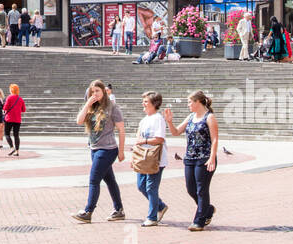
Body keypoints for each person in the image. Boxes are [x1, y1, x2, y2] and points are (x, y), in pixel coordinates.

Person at [71, 79, 126, 223]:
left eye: (97, 91)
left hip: (107, 149)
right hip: (94, 149)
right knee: (110, 180)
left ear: (104, 92)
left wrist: (121, 151)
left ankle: (88, 211)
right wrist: (87, 104)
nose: (95, 94)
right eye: (92, 91)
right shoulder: (91, 106)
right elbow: (79, 121)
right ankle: (119, 210)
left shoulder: (112, 107)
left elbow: (121, 130)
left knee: (94, 180)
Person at [164, 90, 218, 231]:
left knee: (201, 189)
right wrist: (169, 122)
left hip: (204, 158)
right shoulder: (190, 117)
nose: (188, 104)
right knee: (191, 189)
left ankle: (199, 220)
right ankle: (208, 209)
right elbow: (176, 132)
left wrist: (212, 157)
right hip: (190, 158)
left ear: (197, 102)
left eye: (189, 102)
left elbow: (215, 139)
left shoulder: (209, 117)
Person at [133, 91, 169, 226]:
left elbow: (159, 139)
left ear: (154, 104)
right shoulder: (144, 120)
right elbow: (138, 139)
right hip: (143, 157)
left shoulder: (158, 119)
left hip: (155, 158)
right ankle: (160, 206)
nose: (143, 103)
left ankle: (152, 217)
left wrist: (144, 141)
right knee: (141, 185)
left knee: (151, 187)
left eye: (146, 101)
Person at [2, 83, 26, 156]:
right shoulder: (20, 98)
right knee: (16, 135)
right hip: (17, 119)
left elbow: (5, 108)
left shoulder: (9, 97)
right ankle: (17, 151)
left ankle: (12, 148)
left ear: (11, 90)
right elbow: (24, 109)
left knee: (7, 134)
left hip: (9, 119)